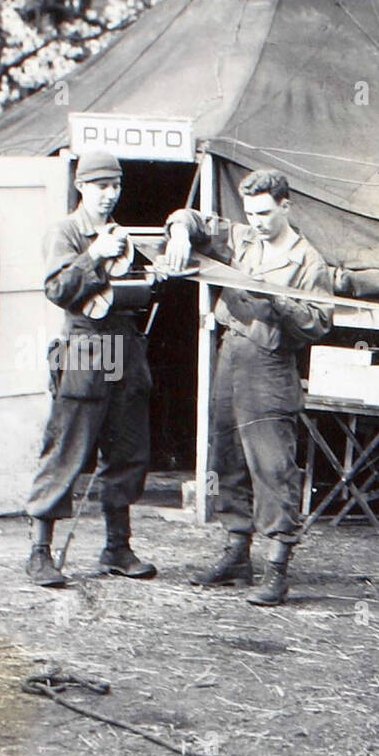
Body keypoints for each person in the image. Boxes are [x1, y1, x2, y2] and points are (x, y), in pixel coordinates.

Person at [161, 169, 332, 606]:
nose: (257, 222)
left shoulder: (308, 261)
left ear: (286, 206)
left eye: (265, 213)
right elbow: (193, 218)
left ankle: (277, 568)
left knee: (273, 467)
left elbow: (319, 324)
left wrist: (278, 299)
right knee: (226, 456)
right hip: (232, 353)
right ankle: (237, 553)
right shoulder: (241, 238)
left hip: (270, 362)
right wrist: (179, 231)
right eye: (251, 213)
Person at [24, 149, 155, 588]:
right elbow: (57, 289)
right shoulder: (65, 231)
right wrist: (94, 254)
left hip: (123, 346)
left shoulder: (122, 234)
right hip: (85, 347)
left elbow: (132, 288)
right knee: (67, 448)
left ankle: (117, 548)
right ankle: (39, 552)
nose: (109, 195)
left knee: (127, 448)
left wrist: (151, 280)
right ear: (81, 186)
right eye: (101, 186)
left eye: (115, 186)